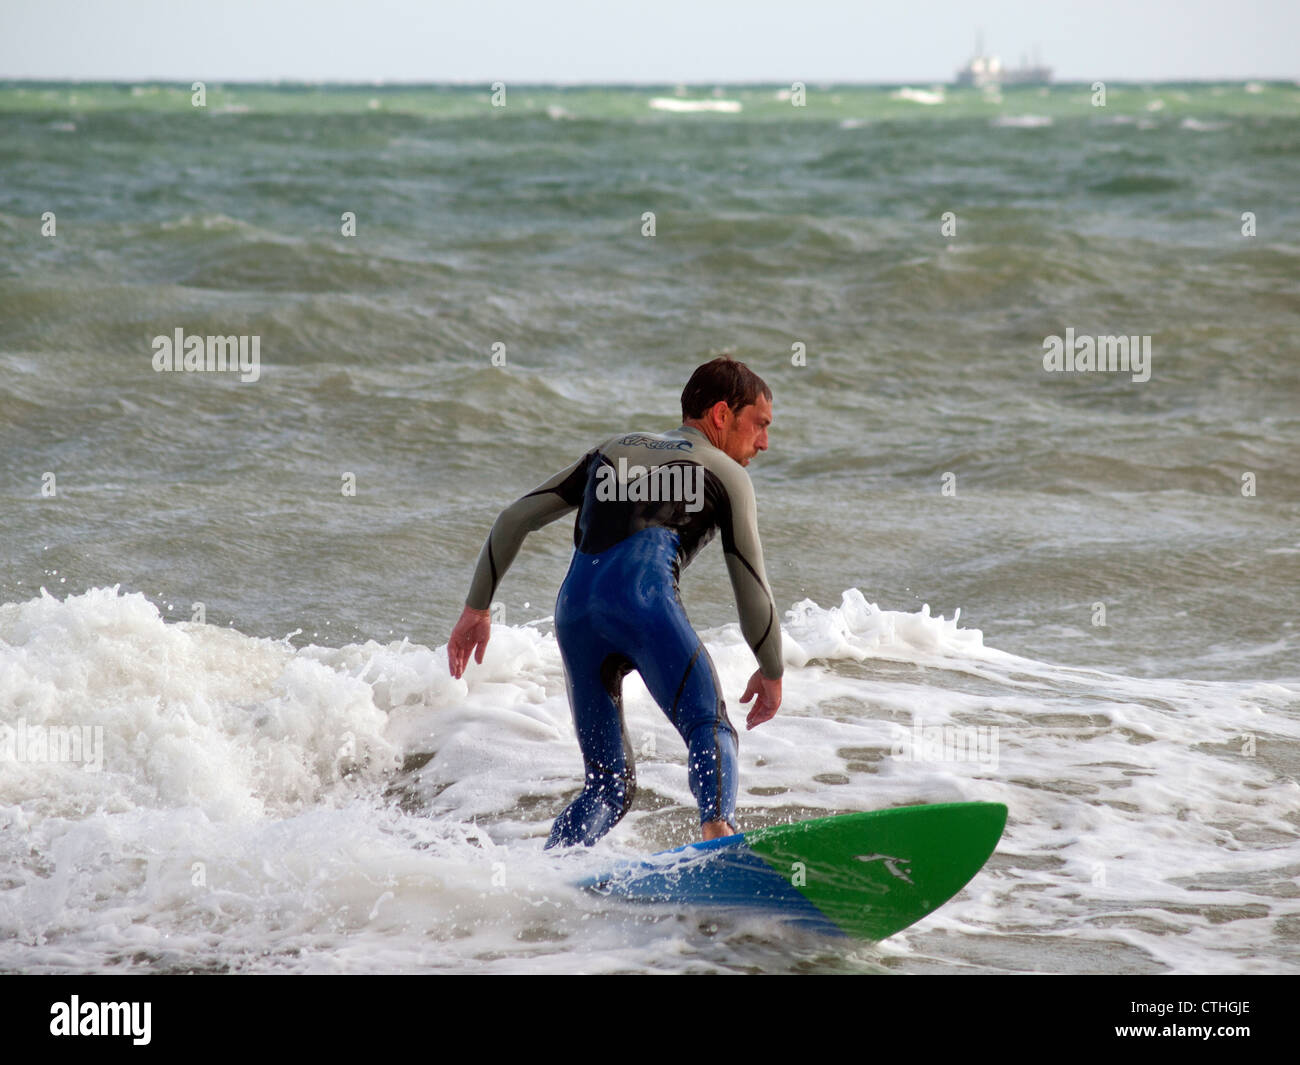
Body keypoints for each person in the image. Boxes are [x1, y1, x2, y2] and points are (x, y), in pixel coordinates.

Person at [447, 356, 783, 847]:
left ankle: (548, 875)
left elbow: (513, 519)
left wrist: (476, 610)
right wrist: (771, 668)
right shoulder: (725, 474)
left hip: (576, 616)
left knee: (608, 787)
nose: (764, 442)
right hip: (644, 604)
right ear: (720, 415)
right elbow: (751, 584)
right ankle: (718, 830)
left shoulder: (612, 449)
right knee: (710, 727)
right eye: (760, 425)